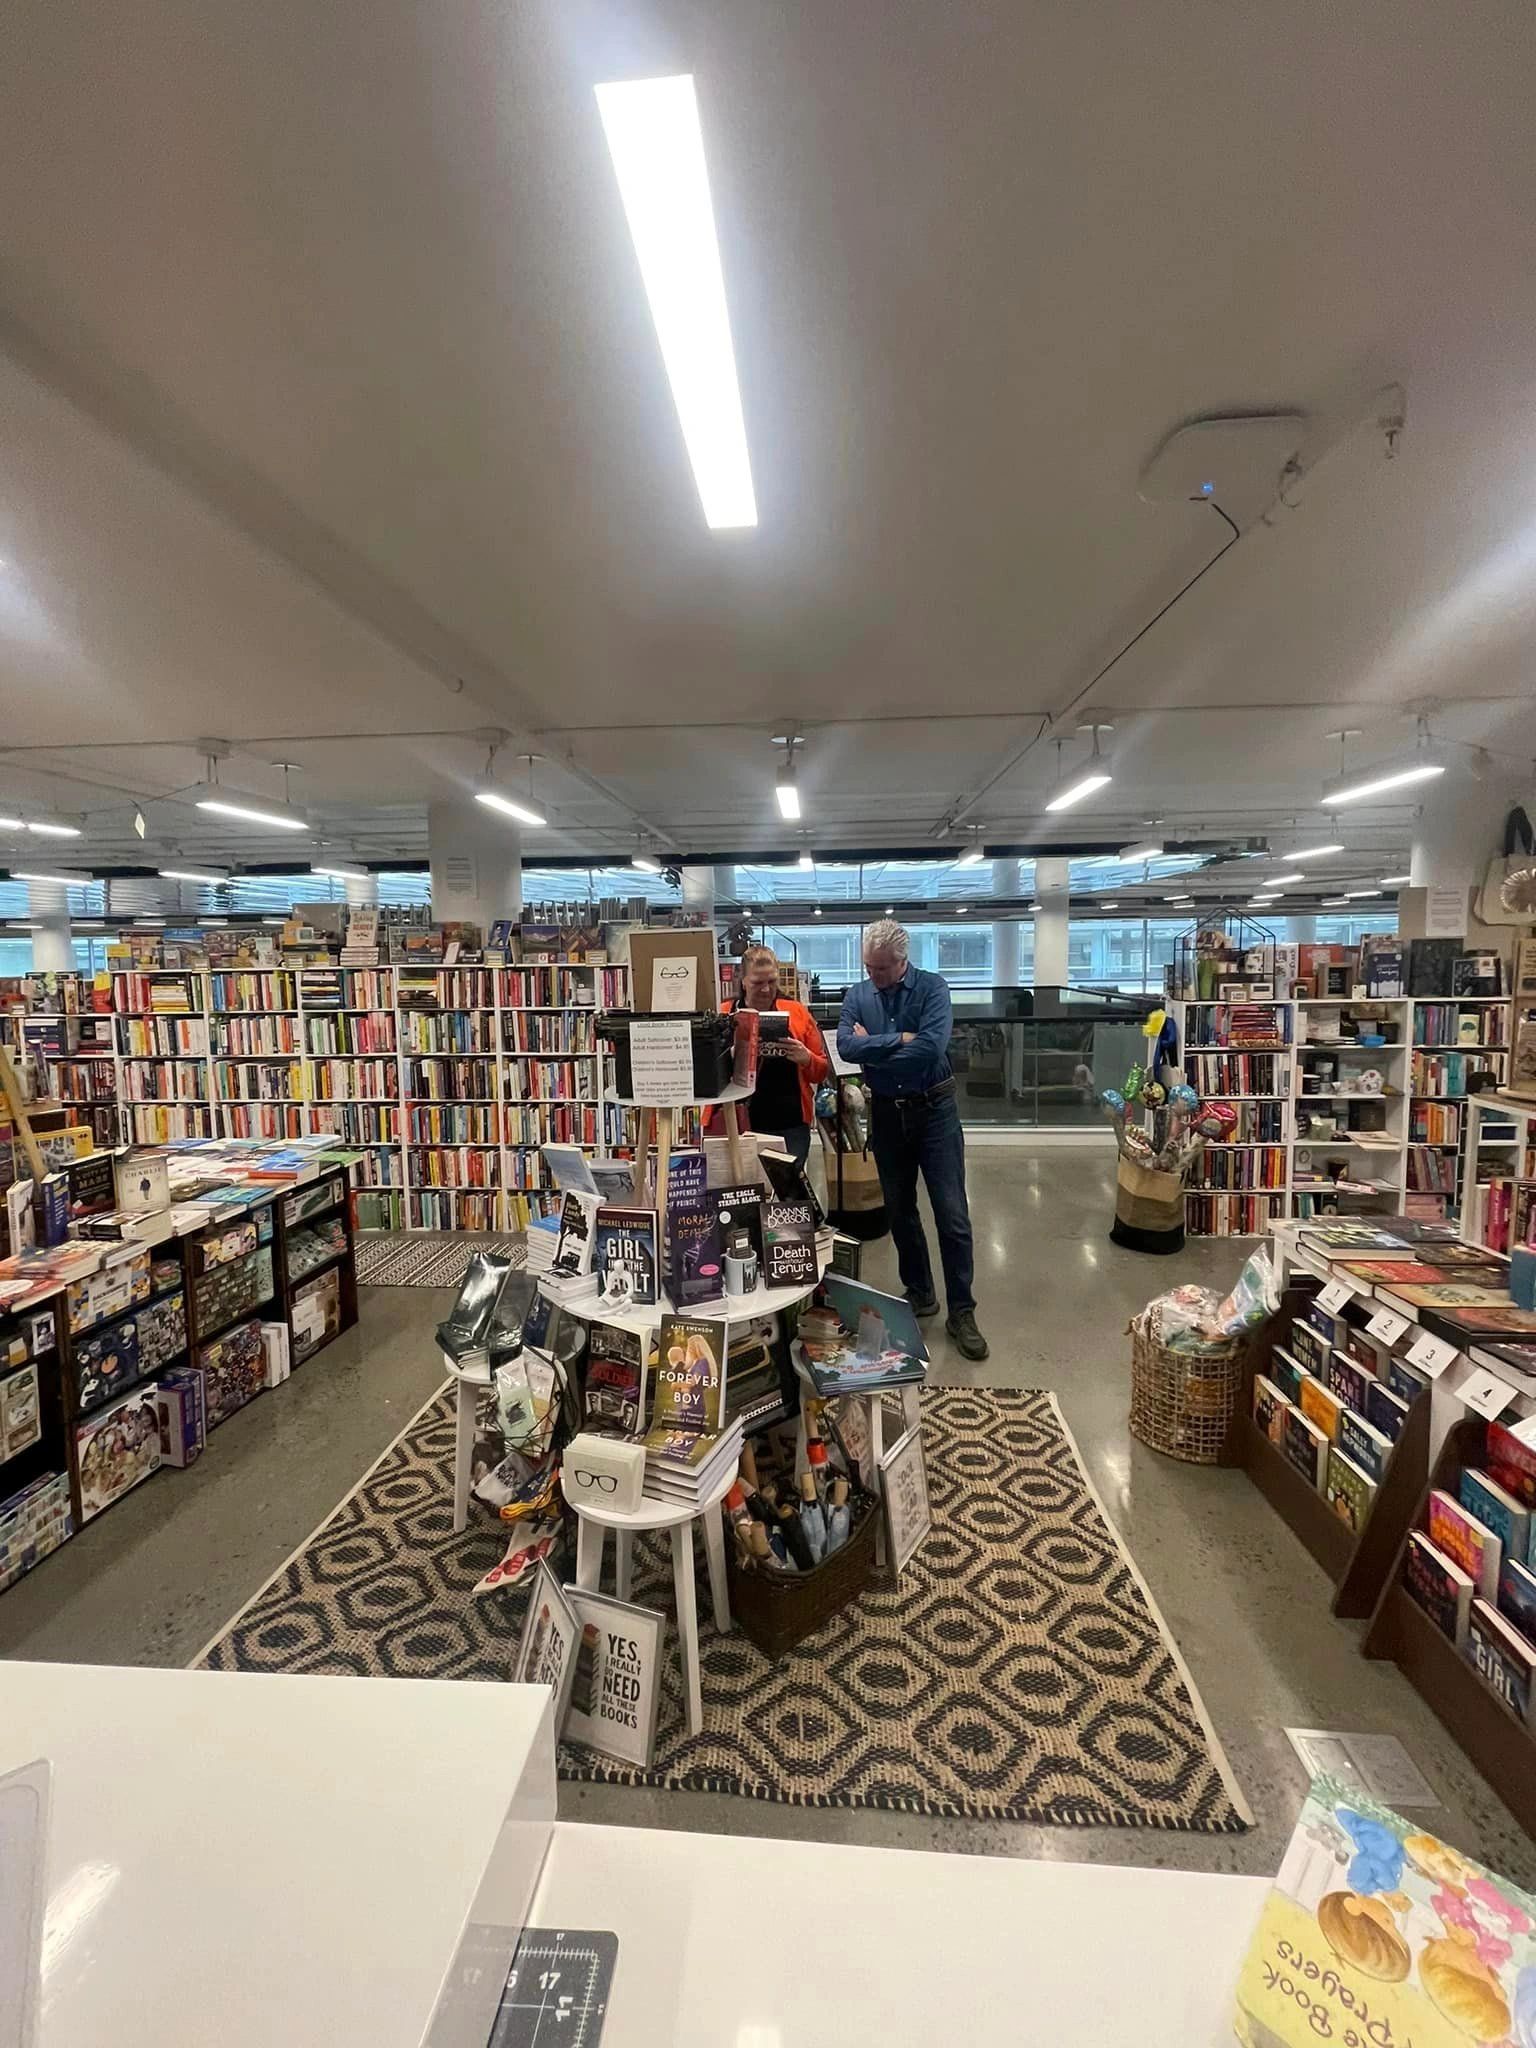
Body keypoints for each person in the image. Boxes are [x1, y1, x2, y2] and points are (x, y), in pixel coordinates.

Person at [836, 920, 987, 1361]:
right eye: (869, 967)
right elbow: (845, 1047)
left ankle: (962, 1310)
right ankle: (920, 1291)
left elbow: (931, 1049)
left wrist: (876, 1046)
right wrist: (900, 1039)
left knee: (951, 1215)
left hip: (935, 1112)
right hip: (886, 1114)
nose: (875, 977)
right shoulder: (858, 994)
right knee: (900, 1212)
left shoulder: (933, 989)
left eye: (882, 969)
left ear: (903, 962)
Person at [721, 943, 828, 1172]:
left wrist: (806, 1058)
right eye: (758, 983)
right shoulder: (724, 1013)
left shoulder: (797, 1012)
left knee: (787, 1193)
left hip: (790, 1123)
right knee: (742, 1191)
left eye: (772, 981)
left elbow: (821, 1071)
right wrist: (734, 1052)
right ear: (742, 981)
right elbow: (705, 1071)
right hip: (735, 1122)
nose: (766, 989)